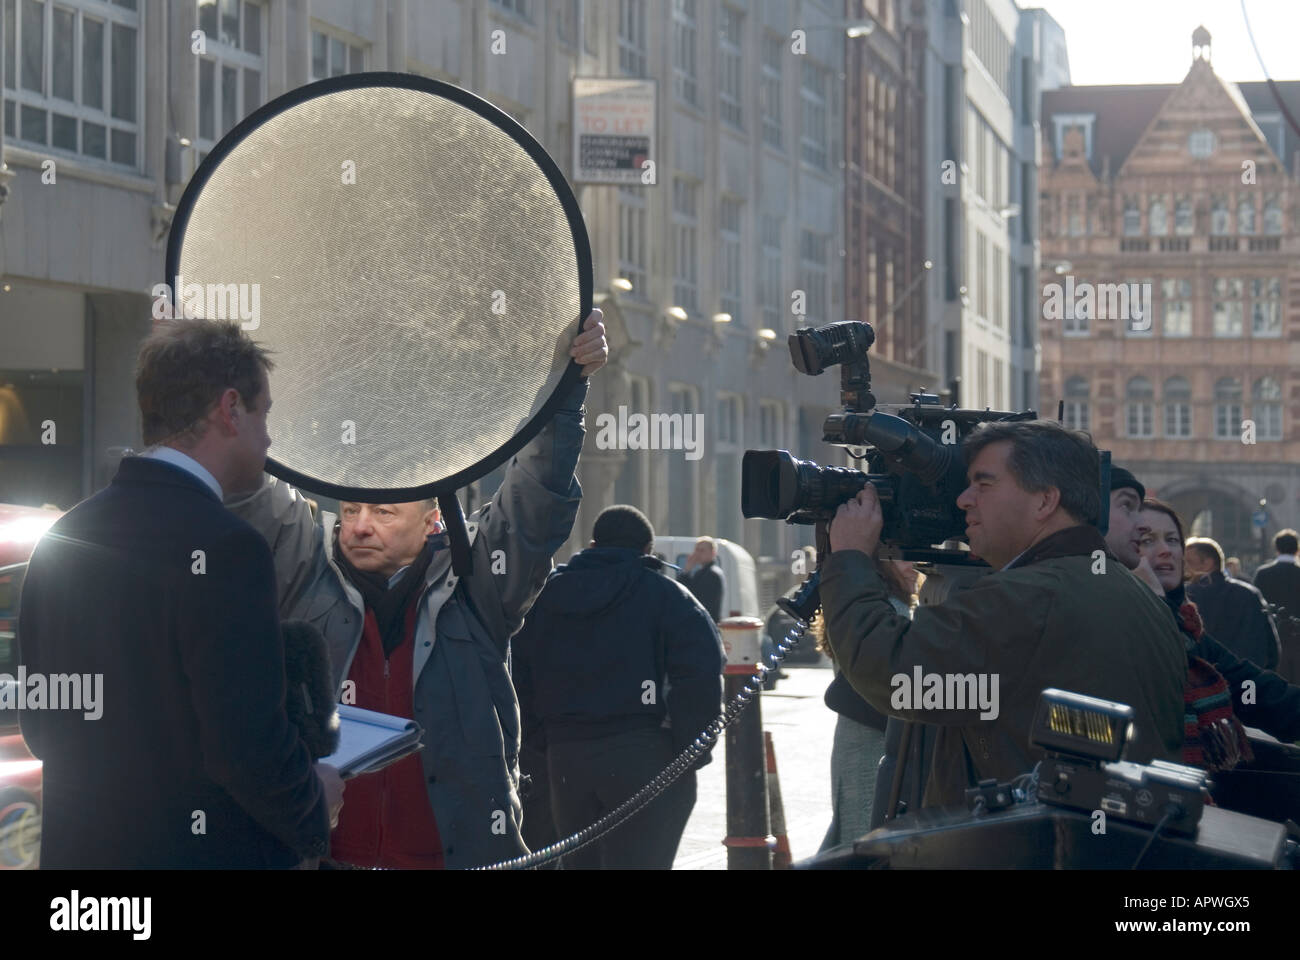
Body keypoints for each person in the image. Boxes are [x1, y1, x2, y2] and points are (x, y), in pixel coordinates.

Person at [225, 310, 608, 869]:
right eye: (351, 508)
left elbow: (537, 497)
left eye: (383, 511)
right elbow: (253, 483)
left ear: (432, 521)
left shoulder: (476, 589)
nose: (358, 525)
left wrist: (567, 382)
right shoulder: (306, 572)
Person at [17, 319, 342, 868]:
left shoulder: (62, 537)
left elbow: (43, 728)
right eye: (264, 413)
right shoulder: (229, 547)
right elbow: (246, 748)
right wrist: (316, 802)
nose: (268, 436)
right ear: (230, 408)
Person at [821, 421, 1186, 808]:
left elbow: (896, 672)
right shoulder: (1142, 599)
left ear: (1045, 501)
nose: (963, 500)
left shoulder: (1027, 597)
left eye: (984, 484)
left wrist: (850, 558)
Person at [511, 505, 725, 869]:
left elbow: (518, 674)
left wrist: (540, 744)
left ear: (593, 544)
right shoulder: (668, 596)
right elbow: (701, 673)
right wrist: (690, 751)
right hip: (645, 751)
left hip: (564, 757)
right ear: (647, 550)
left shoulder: (544, 598)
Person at [1135, 500, 1300, 746]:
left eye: (1172, 540)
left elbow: (1247, 688)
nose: (1165, 550)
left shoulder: (1188, 630)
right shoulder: (1120, 618)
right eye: (1147, 540)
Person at [818, 556, 920, 850]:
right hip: (877, 745)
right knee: (866, 839)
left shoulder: (860, 608)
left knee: (848, 831)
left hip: (851, 742)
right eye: (902, 559)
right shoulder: (893, 611)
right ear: (879, 563)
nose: (913, 566)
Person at [1185, 537, 1280, 671]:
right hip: (1246, 679)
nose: (1184, 567)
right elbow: (1271, 647)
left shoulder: (1186, 596)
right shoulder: (1249, 593)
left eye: (1188, 562)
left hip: (1202, 683)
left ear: (1207, 563)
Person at [1253, 529, 1300, 682]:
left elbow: (1257, 608)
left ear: (1277, 548)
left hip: (1273, 636)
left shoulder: (1263, 573)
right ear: (1297, 549)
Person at [678, 536, 726, 622]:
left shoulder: (712, 574)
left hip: (706, 624)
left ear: (713, 553)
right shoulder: (701, 572)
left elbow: (695, 599)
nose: (698, 554)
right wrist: (687, 570)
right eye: (697, 550)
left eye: (702, 550)